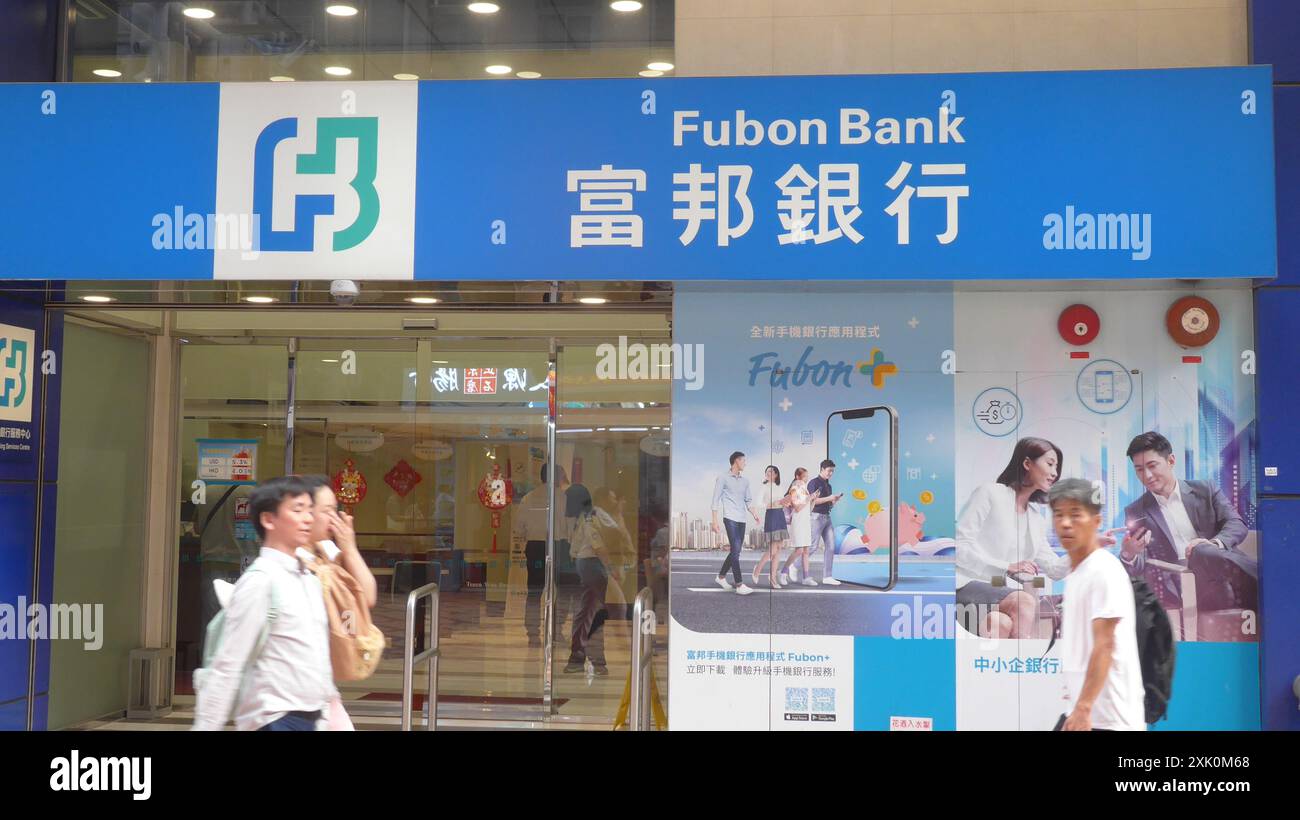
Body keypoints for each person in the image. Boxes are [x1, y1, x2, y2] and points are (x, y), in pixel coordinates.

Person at [193, 475, 336, 731]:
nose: (307, 519)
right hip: (274, 719)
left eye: (310, 510)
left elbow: (317, 656)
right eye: (297, 509)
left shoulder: (309, 580)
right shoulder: (260, 582)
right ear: (268, 519)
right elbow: (228, 665)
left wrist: (326, 713)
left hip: (311, 718)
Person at [1120, 431, 1255, 618]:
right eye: (1140, 470)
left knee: (1202, 551)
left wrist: (1214, 544)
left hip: (1224, 571)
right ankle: (1267, 581)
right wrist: (1129, 554)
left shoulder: (1205, 489)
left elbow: (1236, 524)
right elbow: (1143, 566)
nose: (1147, 476)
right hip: (1183, 582)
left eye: (1152, 466)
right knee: (1199, 553)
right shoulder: (1136, 511)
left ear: (1171, 461)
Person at [1049, 477, 1145, 731]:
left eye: (1075, 514)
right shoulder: (1077, 573)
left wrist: (1084, 707)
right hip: (1084, 714)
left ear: (1096, 522)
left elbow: (1105, 643)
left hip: (1107, 718)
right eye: (1058, 515)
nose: (1065, 523)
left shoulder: (1103, 570)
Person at [955, 437, 1072, 638]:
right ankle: (1024, 668)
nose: (1054, 473)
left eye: (1057, 468)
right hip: (965, 585)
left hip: (997, 596)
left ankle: (1001, 667)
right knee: (1025, 601)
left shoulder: (1036, 518)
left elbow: (1053, 569)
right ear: (1027, 463)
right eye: (1050, 464)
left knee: (1000, 624)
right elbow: (959, 548)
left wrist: (1086, 548)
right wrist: (1006, 566)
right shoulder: (989, 493)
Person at [302, 475, 377, 731]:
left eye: (336, 510)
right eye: (328, 511)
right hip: (299, 690)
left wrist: (349, 548)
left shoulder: (326, 550)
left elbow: (366, 596)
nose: (335, 518)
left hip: (322, 688)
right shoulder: (294, 561)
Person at [512, 464, 570, 647]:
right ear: (558, 477)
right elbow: (572, 527)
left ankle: (533, 635)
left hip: (536, 547)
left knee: (534, 592)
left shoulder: (529, 498)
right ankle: (556, 631)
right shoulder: (565, 498)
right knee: (561, 592)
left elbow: (518, 527)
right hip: (560, 547)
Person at [564, 484, 611, 675]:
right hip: (587, 568)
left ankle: (582, 658)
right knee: (588, 614)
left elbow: (598, 546)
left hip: (591, 567)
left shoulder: (588, 518)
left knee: (587, 615)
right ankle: (592, 659)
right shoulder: (583, 518)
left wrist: (612, 569)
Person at [712, 451, 762, 595]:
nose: (745, 463)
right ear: (736, 461)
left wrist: (755, 514)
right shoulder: (722, 478)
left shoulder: (745, 481)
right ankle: (739, 585)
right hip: (730, 518)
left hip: (742, 519)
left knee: (736, 551)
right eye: (743, 460)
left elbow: (748, 500)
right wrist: (714, 520)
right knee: (735, 550)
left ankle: (721, 577)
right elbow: (715, 499)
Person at [804, 459, 844, 586]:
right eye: (829, 471)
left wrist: (834, 500)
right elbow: (812, 501)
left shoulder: (829, 485)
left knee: (831, 547)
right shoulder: (813, 483)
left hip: (827, 517)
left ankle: (827, 576)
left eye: (832, 471)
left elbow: (827, 503)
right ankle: (792, 566)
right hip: (816, 517)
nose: (831, 473)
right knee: (813, 546)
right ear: (822, 469)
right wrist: (829, 498)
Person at [751, 466, 791, 589]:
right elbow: (758, 503)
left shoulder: (780, 487)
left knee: (779, 548)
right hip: (772, 515)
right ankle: (757, 569)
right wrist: (770, 504)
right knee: (773, 548)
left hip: (780, 515)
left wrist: (786, 502)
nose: (769, 473)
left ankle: (773, 578)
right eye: (767, 471)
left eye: (772, 471)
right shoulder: (764, 487)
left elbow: (783, 502)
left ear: (776, 474)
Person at [779, 468, 818, 586]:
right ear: (797, 476)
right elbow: (797, 508)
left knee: (806, 550)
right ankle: (783, 572)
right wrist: (809, 498)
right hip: (798, 522)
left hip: (806, 521)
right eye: (805, 476)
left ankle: (806, 577)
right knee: (799, 550)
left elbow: (808, 509)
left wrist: (814, 499)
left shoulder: (805, 490)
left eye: (807, 476)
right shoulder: (794, 489)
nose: (807, 479)